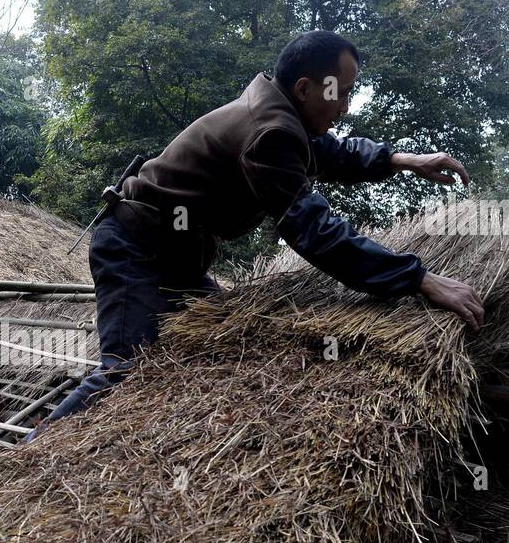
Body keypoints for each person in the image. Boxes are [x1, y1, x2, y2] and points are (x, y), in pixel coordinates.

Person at [25, 30, 484, 443]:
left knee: (207, 344)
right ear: (305, 88)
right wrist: (418, 279)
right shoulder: (270, 131)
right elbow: (315, 232)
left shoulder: (284, 117)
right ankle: (30, 455)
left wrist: (403, 160)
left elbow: (330, 152)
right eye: (339, 94)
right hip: (136, 249)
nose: (345, 106)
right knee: (126, 367)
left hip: (177, 256)